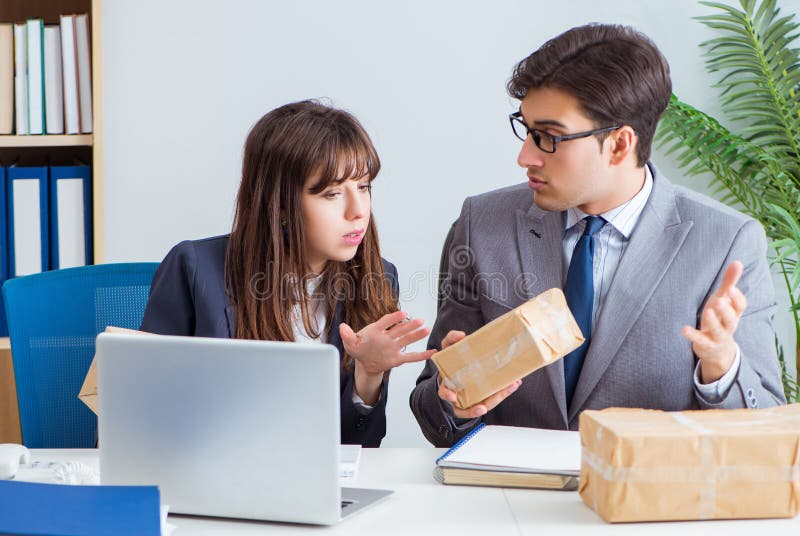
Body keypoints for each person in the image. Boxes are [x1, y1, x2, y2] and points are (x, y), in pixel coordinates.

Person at [410, 24, 786, 447]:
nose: (525, 156)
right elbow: (432, 414)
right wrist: (456, 401)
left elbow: (765, 433)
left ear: (621, 145)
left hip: (644, 505)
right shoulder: (482, 223)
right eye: (526, 128)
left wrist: (719, 364)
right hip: (508, 502)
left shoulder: (726, 244)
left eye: (549, 137)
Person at [141, 100, 435, 447]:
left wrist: (367, 375)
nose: (358, 211)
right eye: (332, 193)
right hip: (209, 476)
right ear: (279, 204)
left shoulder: (378, 278)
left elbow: (359, 449)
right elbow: (139, 414)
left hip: (319, 492)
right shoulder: (194, 268)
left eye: (364, 187)